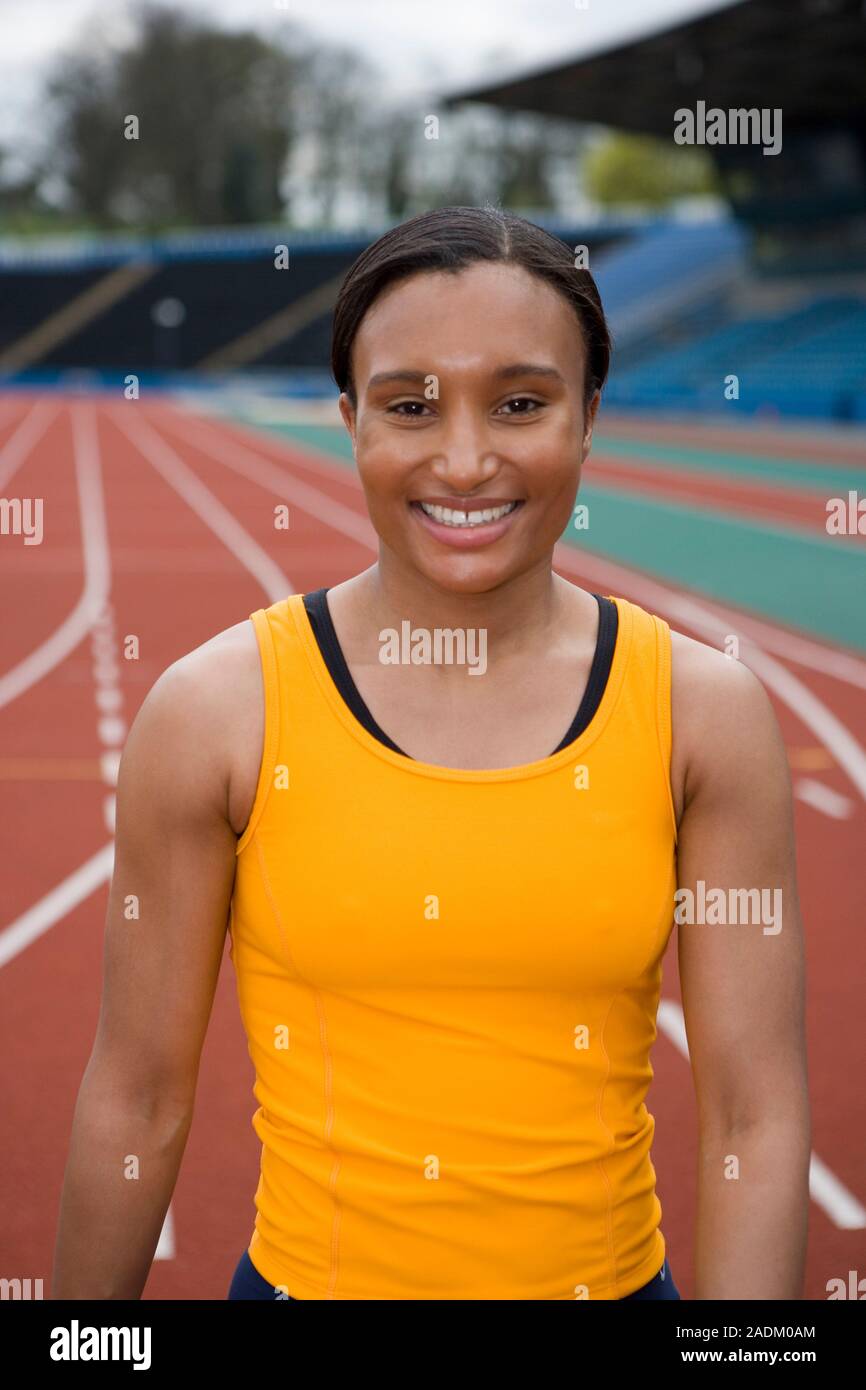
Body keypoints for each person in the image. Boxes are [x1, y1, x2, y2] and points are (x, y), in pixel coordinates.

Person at [53, 206, 810, 1301]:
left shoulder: (702, 713)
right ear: (350, 419)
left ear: (588, 415)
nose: (464, 460)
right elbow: (136, 1097)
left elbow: (754, 1112)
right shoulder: (216, 711)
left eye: (518, 402)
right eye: (410, 406)